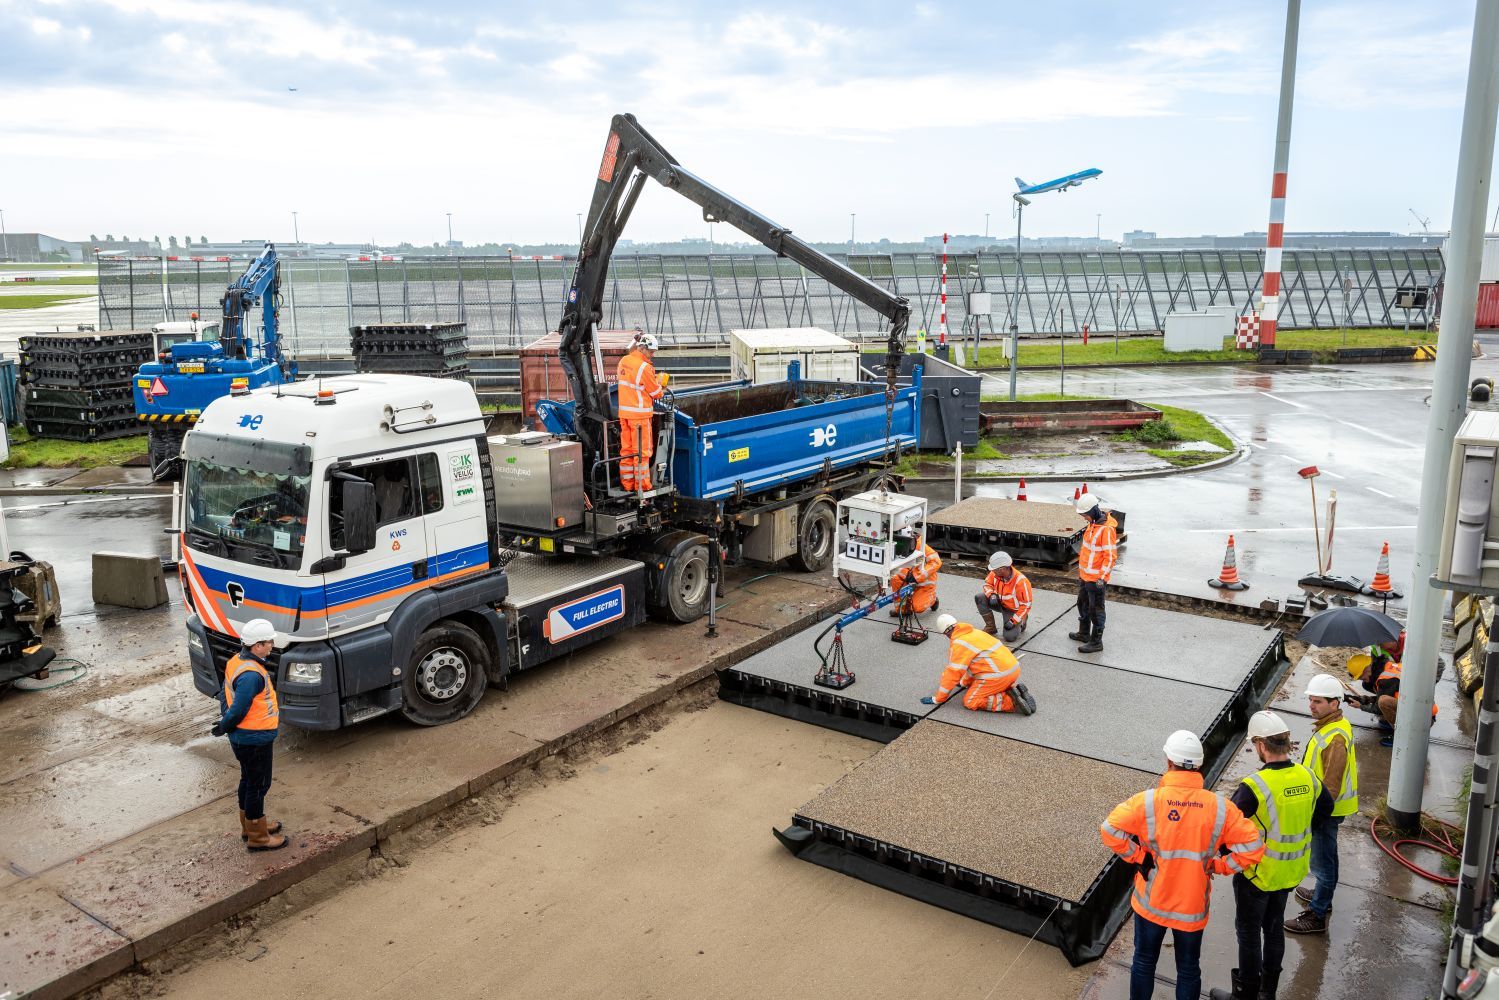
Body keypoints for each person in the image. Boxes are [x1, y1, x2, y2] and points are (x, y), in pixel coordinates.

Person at [1101, 730, 1264, 1000]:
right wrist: (1221, 865)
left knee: (1143, 962)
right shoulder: (1219, 808)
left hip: (1152, 903)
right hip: (1191, 908)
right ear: (1198, 766)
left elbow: (1110, 830)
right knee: (1188, 970)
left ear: (1168, 763)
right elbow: (1253, 846)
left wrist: (1139, 856)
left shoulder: (1149, 801)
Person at [1209, 712, 1332, 1000]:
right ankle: (1269, 992)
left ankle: (1245, 995)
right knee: (1274, 927)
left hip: (1257, 873)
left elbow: (1227, 825)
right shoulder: (1307, 776)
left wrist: (1228, 854)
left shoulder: (1255, 786)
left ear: (1261, 745)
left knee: (1249, 933)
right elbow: (1325, 808)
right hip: (1290, 872)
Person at [1285, 674, 1359, 935]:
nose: (1312, 706)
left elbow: (1332, 785)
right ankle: (1321, 896)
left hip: (1327, 811)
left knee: (1322, 863)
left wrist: (1315, 814)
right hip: (1329, 809)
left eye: (1317, 701)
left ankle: (1317, 915)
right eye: (1311, 701)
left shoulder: (1335, 737)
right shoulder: (1333, 726)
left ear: (1335, 704)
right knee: (1328, 858)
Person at [210, 618, 288, 852]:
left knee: (248, 780)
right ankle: (258, 837)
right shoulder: (252, 676)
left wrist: (226, 726)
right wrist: (224, 725)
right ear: (256, 646)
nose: (271, 646)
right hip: (254, 738)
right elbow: (238, 709)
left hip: (244, 738)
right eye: (268, 642)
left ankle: (250, 825)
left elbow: (225, 695)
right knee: (258, 785)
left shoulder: (237, 662)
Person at [920, 613, 1036, 715]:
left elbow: (953, 673)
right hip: (1013, 669)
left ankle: (1012, 701)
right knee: (980, 679)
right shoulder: (975, 632)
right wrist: (964, 682)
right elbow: (974, 665)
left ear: (945, 633)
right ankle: (1014, 690)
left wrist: (938, 699)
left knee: (970, 701)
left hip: (999, 676)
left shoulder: (959, 643)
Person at [1349, 643, 1437, 746]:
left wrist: (1360, 706)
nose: (1364, 680)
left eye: (1362, 677)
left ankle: (1403, 736)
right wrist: (1366, 699)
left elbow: (1378, 707)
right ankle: (1398, 722)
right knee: (1379, 696)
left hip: (1423, 720)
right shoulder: (1386, 666)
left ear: (1367, 668)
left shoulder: (1387, 679)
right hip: (1421, 710)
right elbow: (1391, 694)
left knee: (1383, 702)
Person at [616, 332, 666, 493]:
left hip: (625, 416)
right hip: (640, 417)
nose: (652, 355)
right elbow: (656, 393)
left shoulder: (624, 361)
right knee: (642, 453)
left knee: (627, 451)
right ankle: (643, 486)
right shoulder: (645, 367)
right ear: (643, 348)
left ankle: (628, 484)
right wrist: (660, 384)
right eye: (651, 352)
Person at [1070, 494, 1118, 654]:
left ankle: (1096, 642)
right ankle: (1084, 633)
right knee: (1082, 604)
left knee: (1095, 610)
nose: (1084, 518)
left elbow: (1110, 557)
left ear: (1093, 510)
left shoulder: (1106, 530)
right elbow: (1088, 552)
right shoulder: (1093, 524)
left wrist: (1101, 579)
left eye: (1084, 514)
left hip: (1096, 580)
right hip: (1085, 577)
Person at [974, 550, 1032, 642]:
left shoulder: (1021, 582)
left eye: (994, 569)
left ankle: (1022, 619)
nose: (991, 571)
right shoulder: (995, 573)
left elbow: (1026, 605)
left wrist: (1013, 621)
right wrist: (991, 594)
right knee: (980, 597)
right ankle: (991, 627)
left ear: (1002, 569)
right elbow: (987, 585)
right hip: (999, 602)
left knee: (1010, 637)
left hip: (1013, 610)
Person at [890, 536, 942, 616]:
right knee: (894, 578)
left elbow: (936, 561)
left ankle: (933, 599)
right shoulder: (893, 544)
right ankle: (903, 610)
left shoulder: (919, 545)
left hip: (924, 586)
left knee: (917, 607)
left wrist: (917, 577)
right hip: (907, 579)